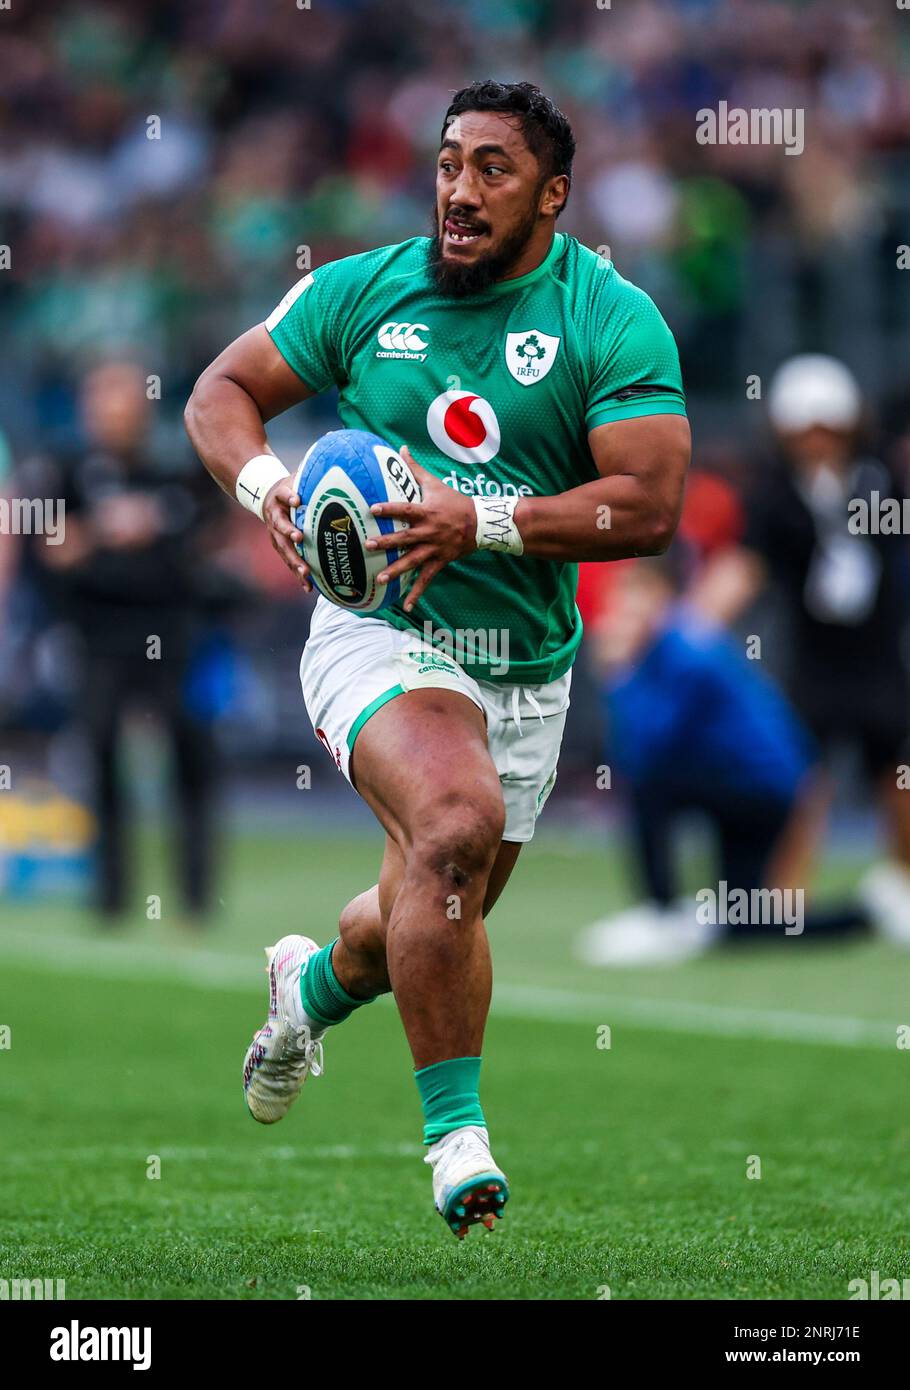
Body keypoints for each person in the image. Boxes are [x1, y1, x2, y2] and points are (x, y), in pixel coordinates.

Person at [185, 80, 690, 1237]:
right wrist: (267, 489)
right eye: (449, 162)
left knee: (422, 906)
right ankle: (455, 1140)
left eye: (492, 171)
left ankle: (306, 991)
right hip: (380, 631)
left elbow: (649, 506)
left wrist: (485, 520)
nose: (458, 191)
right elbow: (222, 392)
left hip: (525, 662)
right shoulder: (364, 288)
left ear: (552, 195)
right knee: (452, 825)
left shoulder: (610, 318)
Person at [692, 355, 910, 943]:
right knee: (802, 775)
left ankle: (903, 884)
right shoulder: (776, 495)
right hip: (815, 662)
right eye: (805, 432)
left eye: (827, 430)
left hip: (880, 656)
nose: (817, 443)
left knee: (895, 771)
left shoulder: (883, 476)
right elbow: (744, 567)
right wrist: (692, 625)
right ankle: (785, 896)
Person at [579, 552, 869, 968]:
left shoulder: (684, 648)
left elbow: (645, 749)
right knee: (745, 923)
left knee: (650, 786)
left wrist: (617, 675)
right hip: (759, 788)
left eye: (633, 594)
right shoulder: (674, 643)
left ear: (661, 594)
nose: (622, 608)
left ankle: (660, 913)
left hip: (761, 790)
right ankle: (862, 916)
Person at [34, 361, 219, 920]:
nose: (111, 412)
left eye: (122, 399)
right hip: (101, 637)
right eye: (100, 400)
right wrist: (107, 530)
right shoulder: (67, 471)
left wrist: (153, 526)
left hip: (172, 634)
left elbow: (210, 538)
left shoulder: (177, 467)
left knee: (191, 762)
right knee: (102, 760)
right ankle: (110, 897)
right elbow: (50, 547)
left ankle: (194, 896)